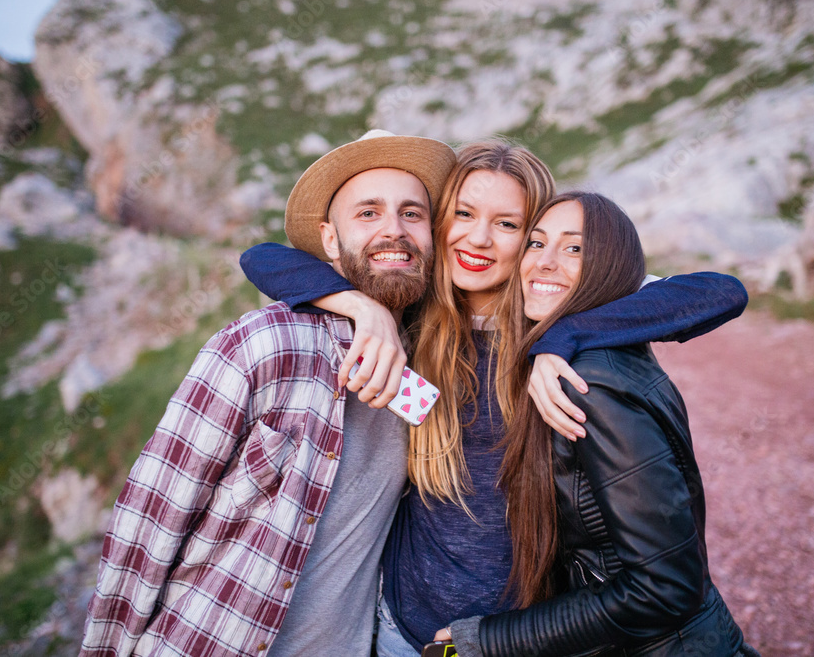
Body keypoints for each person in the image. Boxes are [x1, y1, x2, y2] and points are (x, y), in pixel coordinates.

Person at [240, 140, 750, 656]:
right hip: (402, 623)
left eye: (507, 225)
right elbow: (263, 257)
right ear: (440, 222)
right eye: (463, 213)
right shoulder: (411, 310)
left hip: (524, 634)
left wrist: (563, 335)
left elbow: (720, 292)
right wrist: (361, 308)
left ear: (531, 240)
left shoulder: (555, 310)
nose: (478, 239)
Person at [78, 130, 456, 657]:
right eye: (368, 213)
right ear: (329, 240)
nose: (394, 230)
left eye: (412, 214)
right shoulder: (264, 344)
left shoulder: (438, 360)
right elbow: (148, 523)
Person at [439, 191, 758, 657]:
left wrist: (489, 639)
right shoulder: (599, 352)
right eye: (537, 243)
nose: (545, 263)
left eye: (574, 249)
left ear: (610, 269)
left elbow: (665, 588)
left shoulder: (587, 379)